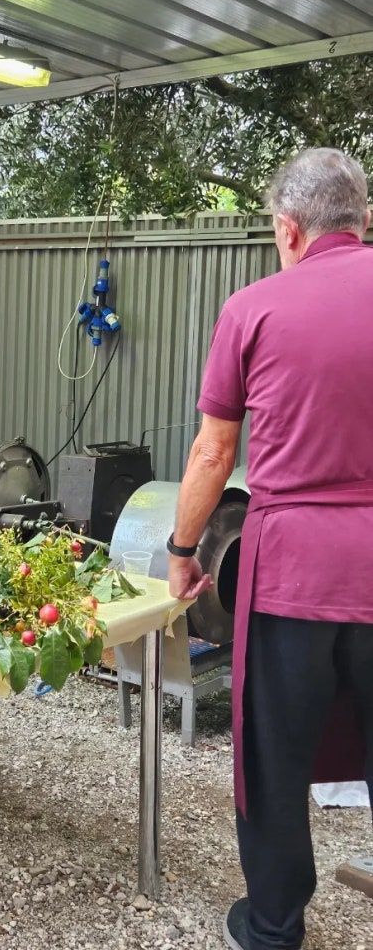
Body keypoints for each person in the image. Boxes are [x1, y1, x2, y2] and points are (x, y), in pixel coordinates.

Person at [167, 148, 373, 950]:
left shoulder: (253, 307)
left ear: (286, 228)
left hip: (292, 572)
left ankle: (273, 925)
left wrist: (184, 548)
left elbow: (213, 453)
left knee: (275, 758)